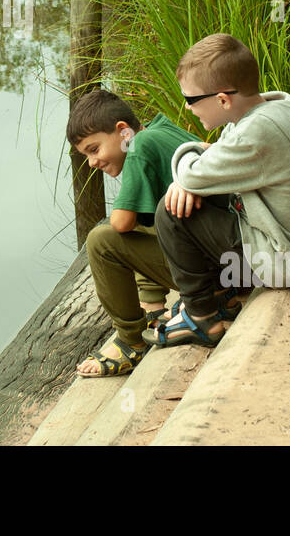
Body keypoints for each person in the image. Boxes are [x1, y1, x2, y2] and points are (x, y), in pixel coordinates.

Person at [145, 33, 290, 350]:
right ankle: (219, 294)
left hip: (286, 264)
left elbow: (191, 173)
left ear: (222, 100)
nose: (187, 109)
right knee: (198, 192)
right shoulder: (276, 111)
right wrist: (195, 175)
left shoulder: (253, 134)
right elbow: (207, 172)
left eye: (190, 100)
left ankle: (201, 316)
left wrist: (188, 160)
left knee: (169, 211)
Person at [66, 89, 216, 377]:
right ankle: (152, 307)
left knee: (101, 239)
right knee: (146, 215)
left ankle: (130, 341)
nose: (92, 163)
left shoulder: (138, 147)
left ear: (123, 132)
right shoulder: (159, 127)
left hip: (214, 273)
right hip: (228, 258)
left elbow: (122, 224)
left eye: (94, 150)